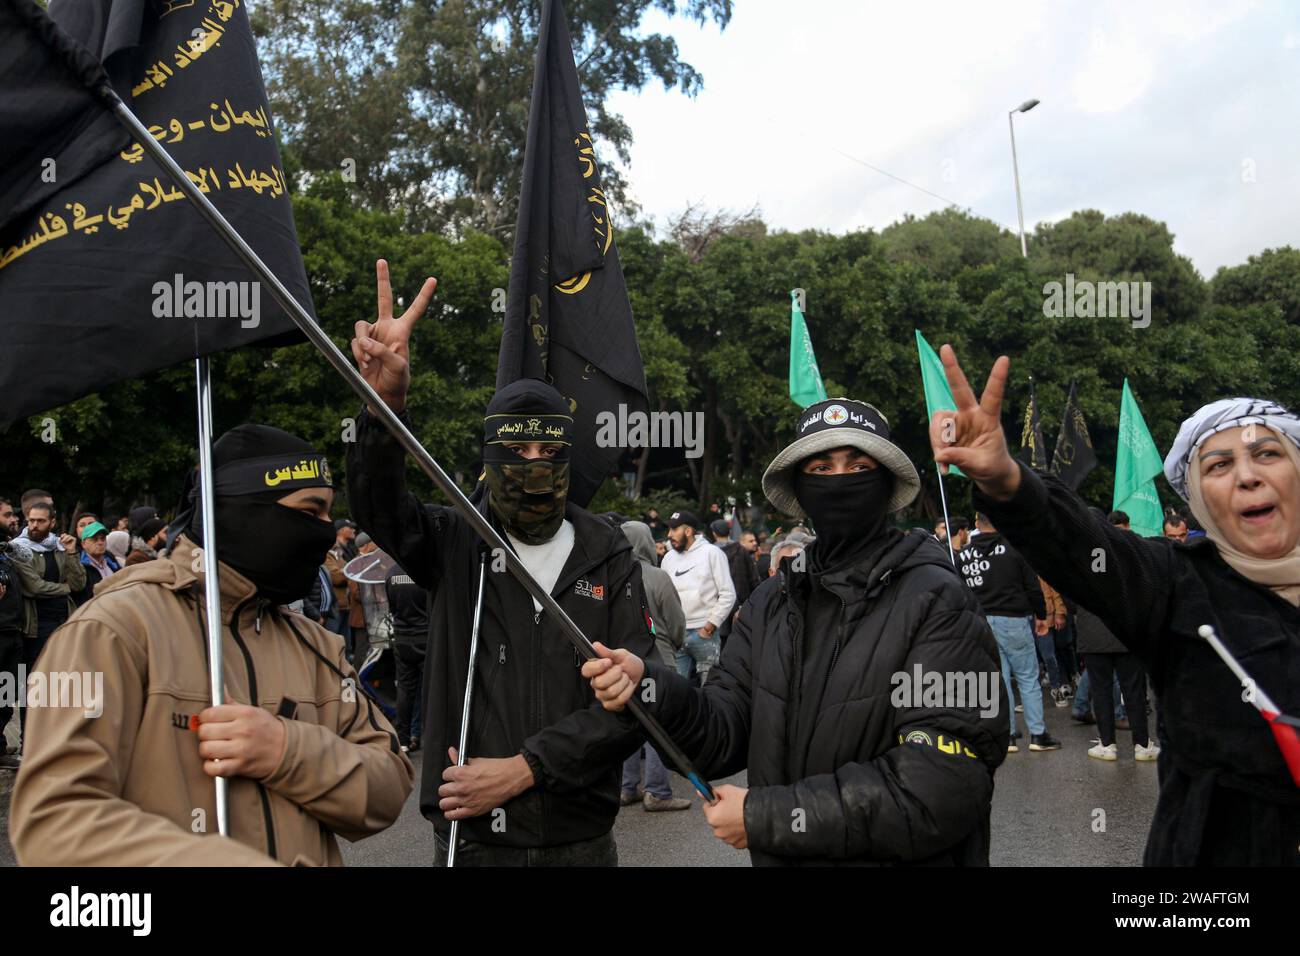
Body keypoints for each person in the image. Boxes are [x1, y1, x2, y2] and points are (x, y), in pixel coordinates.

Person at [584, 397, 1007, 865]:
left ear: (886, 484)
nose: (839, 480)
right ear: (800, 490)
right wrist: (650, 687)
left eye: (858, 465)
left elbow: (940, 786)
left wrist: (769, 817)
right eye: (821, 468)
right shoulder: (771, 603)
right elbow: (720, 732)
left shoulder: (938, 598)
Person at [931, 345, 1300, 865]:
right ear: (1198, 495)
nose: (1246, 476)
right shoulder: (1177, 581)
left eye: (1267, 453)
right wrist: (1006, 480)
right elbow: (1083, 547)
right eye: (1219, 464)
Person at [346, 259, 655, 866]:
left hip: (581, 841)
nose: (534, 463)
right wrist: (384, 404)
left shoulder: (607, 550)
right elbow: (377, 503)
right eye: (515, 449)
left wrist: (525, 769)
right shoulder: (455, 538)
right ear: (489, 458)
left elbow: (636, 701)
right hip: (474, 840)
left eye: (549, 449)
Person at [9, 424, 414, 865]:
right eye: (310, 510)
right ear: (242, 511)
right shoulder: (109, 631)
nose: (323, 531)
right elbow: (55, 824)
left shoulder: (316, 645)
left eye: (327, 514)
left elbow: (389, 787)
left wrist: (287, 749)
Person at [957, 513, 1061, 753]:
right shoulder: (1014, 549)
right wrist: (1042, 616)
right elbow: (1032, 586)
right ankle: (1038, 734)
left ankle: (1008, 736)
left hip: (980, 622)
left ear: (976, 525)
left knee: (999, 680)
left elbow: (959, 591)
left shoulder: (963, 556)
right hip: (1012, 619)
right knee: (1027, 677)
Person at [618, 521, 690, 812]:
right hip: (658, 661)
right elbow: (676, 624)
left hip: (622, 664)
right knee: (659, 728)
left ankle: (627, 787)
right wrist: (674, 644)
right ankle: (657, 792)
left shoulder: (614, 577)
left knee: (629, 726)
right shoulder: (658, 577)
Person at [661, 510, 735, 685]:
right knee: (677, 690)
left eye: (674, 529)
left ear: (688, 531)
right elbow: (663, 595)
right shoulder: (668, 558)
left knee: (710, 689)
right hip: (676, 634)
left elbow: (728, 593)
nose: (669, 535)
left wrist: (709, 626)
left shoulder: (712, 553)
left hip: (704, 633)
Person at [1075, 606, 1157, 761]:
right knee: (1134, 690)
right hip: (1127, 630)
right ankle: (1143, 744)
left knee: (1100, 691)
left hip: (1092, 631)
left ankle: (1107, 744)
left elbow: (1071, 599)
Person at [385, 563, 429, 754]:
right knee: (430, 689)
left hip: (402, 637)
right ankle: (431, 737)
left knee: (404, 690)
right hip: (425, 636)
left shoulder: (391, 574)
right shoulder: (423, 572)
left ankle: (403, 739)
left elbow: (392, 606)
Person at [0, 498, 24, 770]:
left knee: (8, 693)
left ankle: (1, 748)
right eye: (7, 515)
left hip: (12, 629)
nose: (14, 519)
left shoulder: (9, 550)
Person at [710, 518, 759, 642]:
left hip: (717, 605)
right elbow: (753, 578)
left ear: (714, 533)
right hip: (741, 604)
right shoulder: (741, 551)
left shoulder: (710, 553)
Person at [73, 521, 119, 606]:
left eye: (103, 538)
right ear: (83, 544)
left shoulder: (112, 563)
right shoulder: (79, 566)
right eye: (94, 539)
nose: (100, 542)